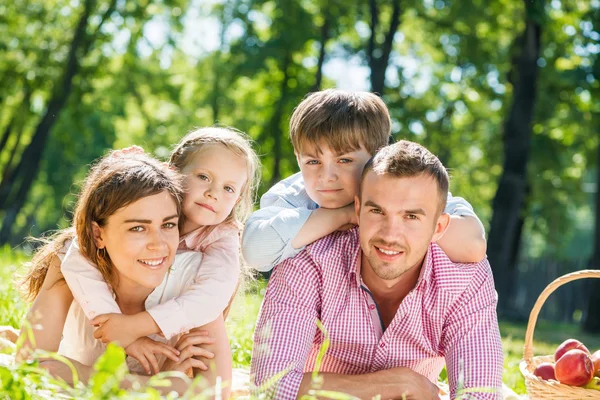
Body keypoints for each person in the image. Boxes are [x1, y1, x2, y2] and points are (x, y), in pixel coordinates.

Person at [251, 140, 504, 399]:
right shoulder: (308, 260)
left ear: (438, 228)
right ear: (358, 210)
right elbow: (271, 388)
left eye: (411, 217)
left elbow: (481, 394)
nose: (390, 234)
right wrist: (399, 384)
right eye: (377, 211)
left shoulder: (465, 279)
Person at [16, 151, 229, 396]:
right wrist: (155, 386)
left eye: (168, 225)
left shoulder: (197, 280)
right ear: (98, 235)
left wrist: (77, 374)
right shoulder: (70, 263)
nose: (158, 244)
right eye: (138, 228)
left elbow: (216, 393)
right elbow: (27, 368)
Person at [59, 128, 261, 372]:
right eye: (204, 177)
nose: (213, 193)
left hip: (170, 337)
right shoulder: (147, 197)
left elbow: (211, 297)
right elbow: (79, 251)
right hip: (102, 333)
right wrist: (116, 325)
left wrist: (135, 327)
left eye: (228, 189)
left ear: (237, 200)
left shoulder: (222, 237)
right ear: (172, 172)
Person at [242, 89, 486, 273]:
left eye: (345, 160)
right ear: (298, 158)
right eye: (312, 162)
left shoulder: (411, 189)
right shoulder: (293, 195)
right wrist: (345, 215)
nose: (326, 176)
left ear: (378, 156)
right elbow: (254, 252)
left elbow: (473, 246)